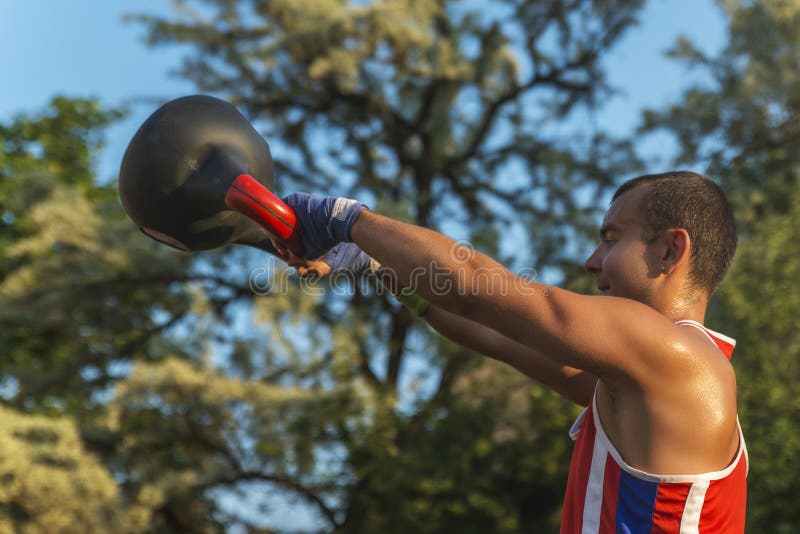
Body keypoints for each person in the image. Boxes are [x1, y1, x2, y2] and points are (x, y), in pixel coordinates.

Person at [274, 170, 747, 533]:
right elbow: (494, 333)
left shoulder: (677, 356)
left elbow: (475, 290)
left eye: (611, 239)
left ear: (669, 251)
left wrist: (344, 218)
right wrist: (376, 261)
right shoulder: (646, 383)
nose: (591, 261)